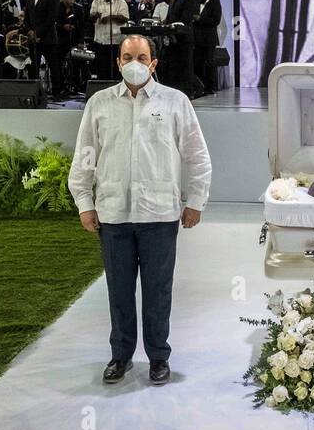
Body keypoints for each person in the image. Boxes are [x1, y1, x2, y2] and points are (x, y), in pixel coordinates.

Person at [67, 34, 212, 386]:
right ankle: (121, 356)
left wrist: (195, 201)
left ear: (153, 63)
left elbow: (197, 156)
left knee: (158, 291)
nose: (135, 62)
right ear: (118, 61)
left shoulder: (175, 102)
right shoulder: (99, 103)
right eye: (128, 55)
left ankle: (159, 357)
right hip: (113, 215)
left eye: (142, 56)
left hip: (159, 216)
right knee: (118, 290)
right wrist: (84, 203)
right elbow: (85, 155)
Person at [26, 0, 62, 97]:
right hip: (33, 39)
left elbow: (51, 19)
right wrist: (30, 31)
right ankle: (35, 93)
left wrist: (38, 33)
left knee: (53, 66)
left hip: (48, 38)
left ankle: (57, 92)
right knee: (33, 66)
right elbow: (27, 18)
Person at [90, 0, 130, 82]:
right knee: (101, 67)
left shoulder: (120, 1)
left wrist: (110, 17)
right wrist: (97, 15)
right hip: (101, 39)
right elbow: (91, 16)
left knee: (116, 67)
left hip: (115, 40)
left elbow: (125, 18)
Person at [189, 0, 222, 97]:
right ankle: (199, 86)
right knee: (197, 63)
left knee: (209, 62)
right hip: (197, 38)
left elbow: (216, 20)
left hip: (209, 39)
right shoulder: (195, 3)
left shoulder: (214, 3)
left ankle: (210, 87)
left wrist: (200, 20)